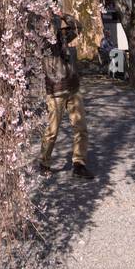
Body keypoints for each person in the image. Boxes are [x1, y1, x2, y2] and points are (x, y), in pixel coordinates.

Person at [39, 10, 94, 179]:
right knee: (52, 131)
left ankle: (79, 164)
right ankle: (44, 162)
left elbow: (78, 26)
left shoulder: (64, 36)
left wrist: (64, 15)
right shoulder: (43, 42)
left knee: (81, 128)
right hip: (55, 91)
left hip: (73, 87)